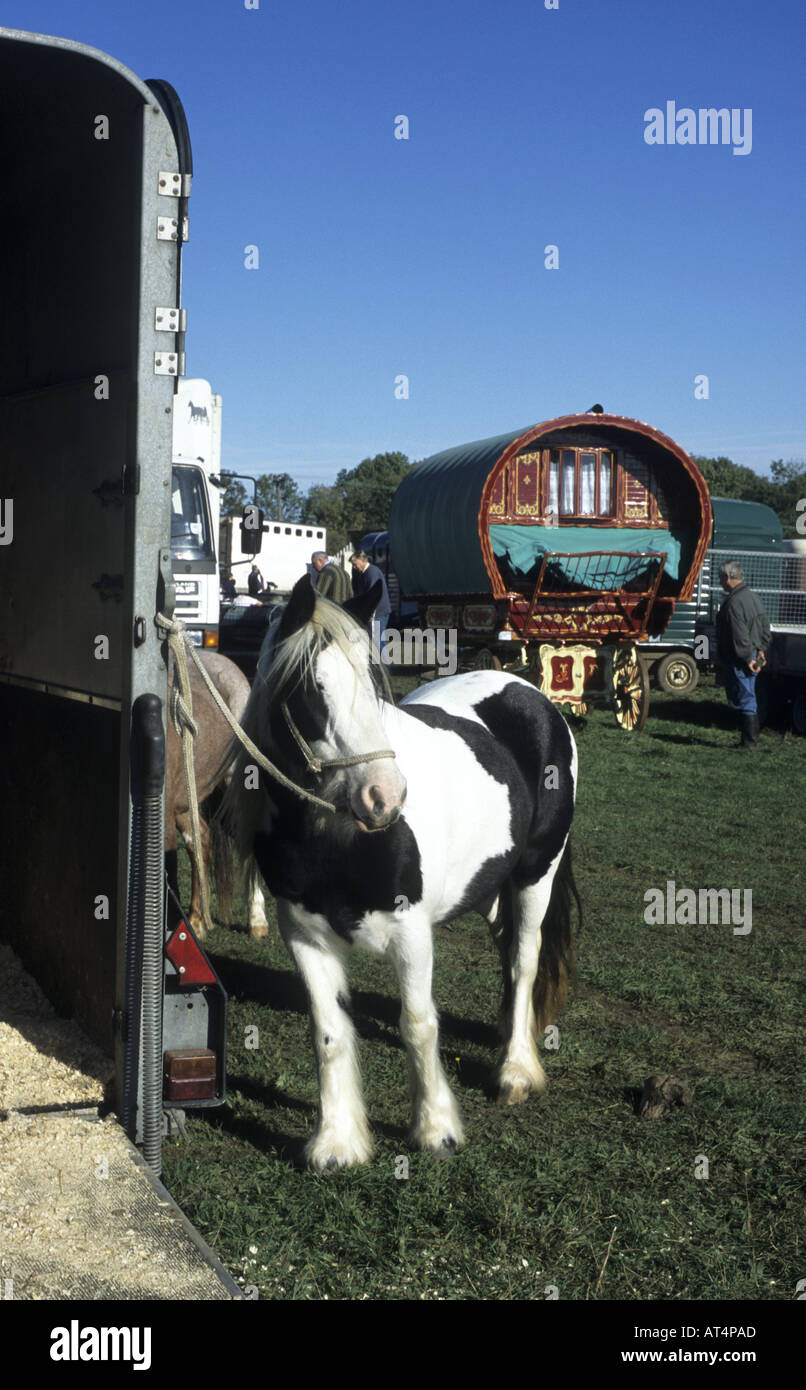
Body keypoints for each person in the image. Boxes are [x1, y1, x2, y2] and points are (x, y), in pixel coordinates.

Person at [716, 561, 771, 749]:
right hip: (755, 652)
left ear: (729, 577)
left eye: (721, 577)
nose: (720, 580)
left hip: (743, 658)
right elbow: (764, 624)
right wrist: (762, 649)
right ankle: (748, 739)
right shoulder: (753, 597)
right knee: (749, 694)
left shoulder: (734, 602)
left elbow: (739, 635)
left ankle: (749, 741)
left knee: (746, 697)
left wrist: (748, 658)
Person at [350, 549, 392, 645]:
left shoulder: (371, 573)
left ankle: (384, 660)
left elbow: (373, 596)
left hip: (378, 613)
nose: (354, 567)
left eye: (355, 564)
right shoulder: (363, 573)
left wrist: (370, 613)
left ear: (363, 561)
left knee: (378, 642)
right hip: (375, 613)